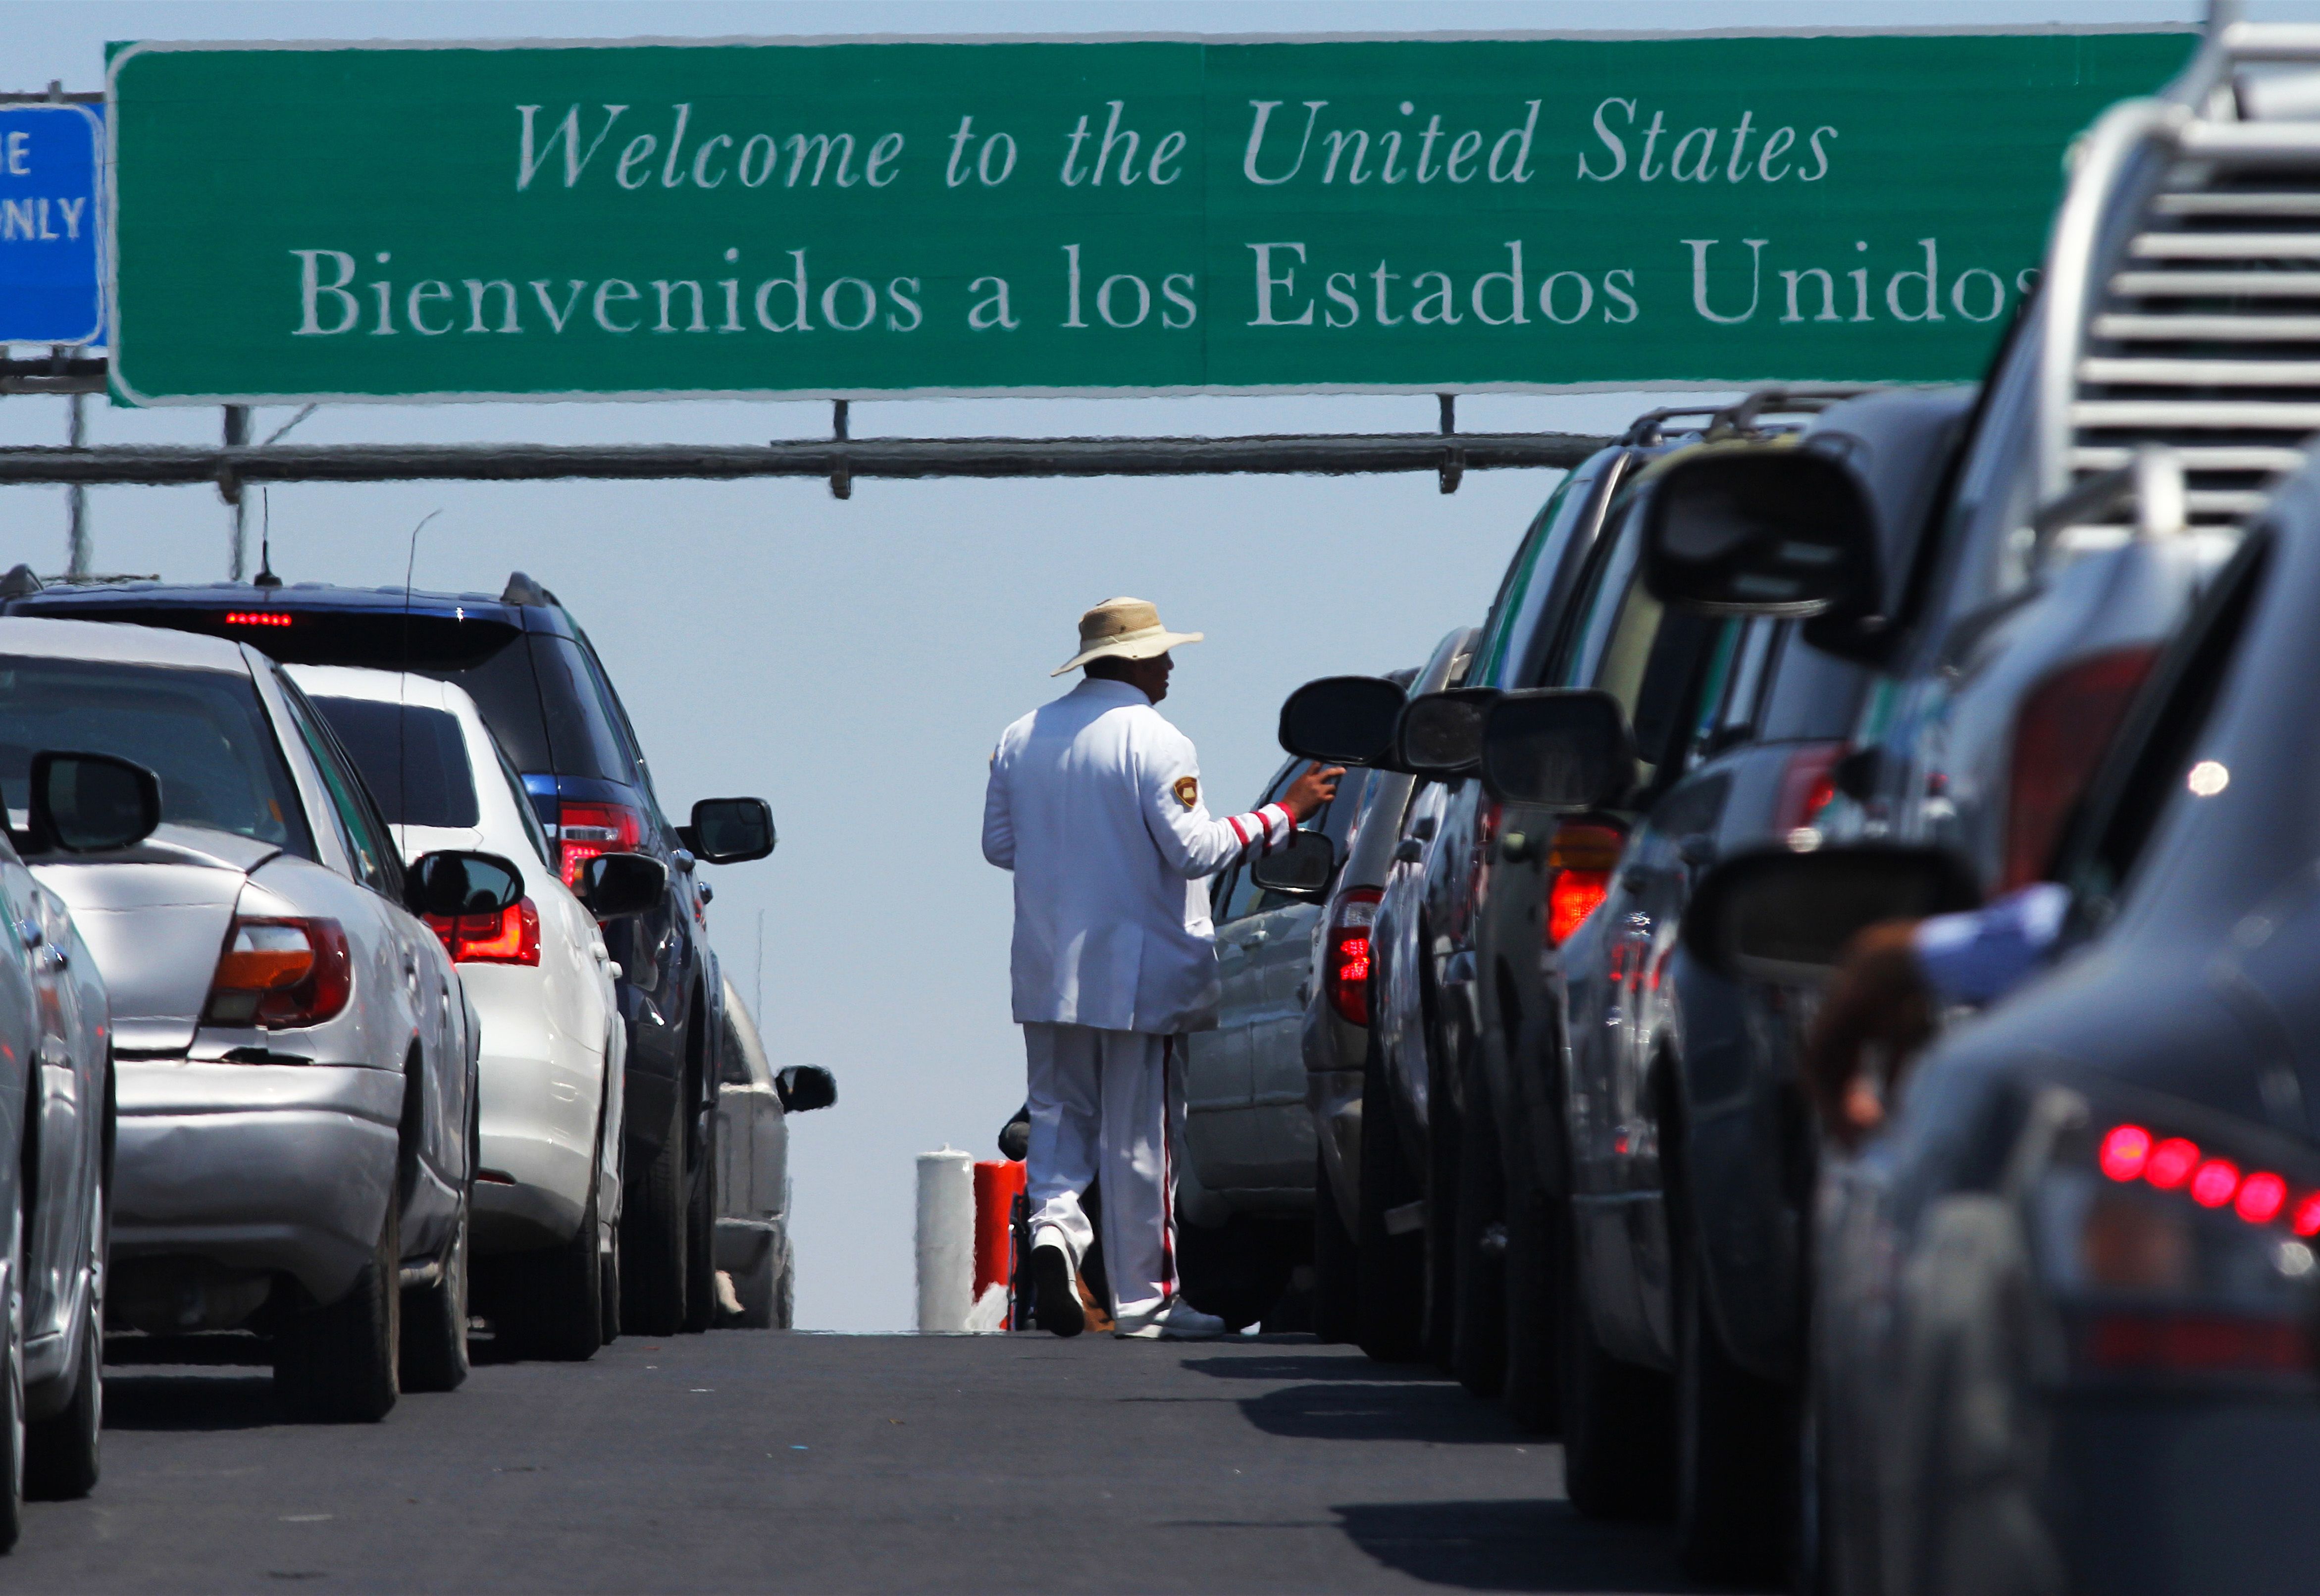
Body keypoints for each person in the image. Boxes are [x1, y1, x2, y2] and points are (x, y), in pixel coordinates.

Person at [981, 597, 1342, 1339]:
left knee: (1058, 1116)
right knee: (1143, 1138)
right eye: (1163, 654)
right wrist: (1285, 813)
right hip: (1139, 973)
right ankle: (1146, 1300)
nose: (1171, 666)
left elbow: (1000, 846)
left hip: (1047, 967)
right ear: (1137, 660)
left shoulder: (1020, 736)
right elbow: (1195, 851)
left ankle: (1053, 1232)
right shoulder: (1158, 739)